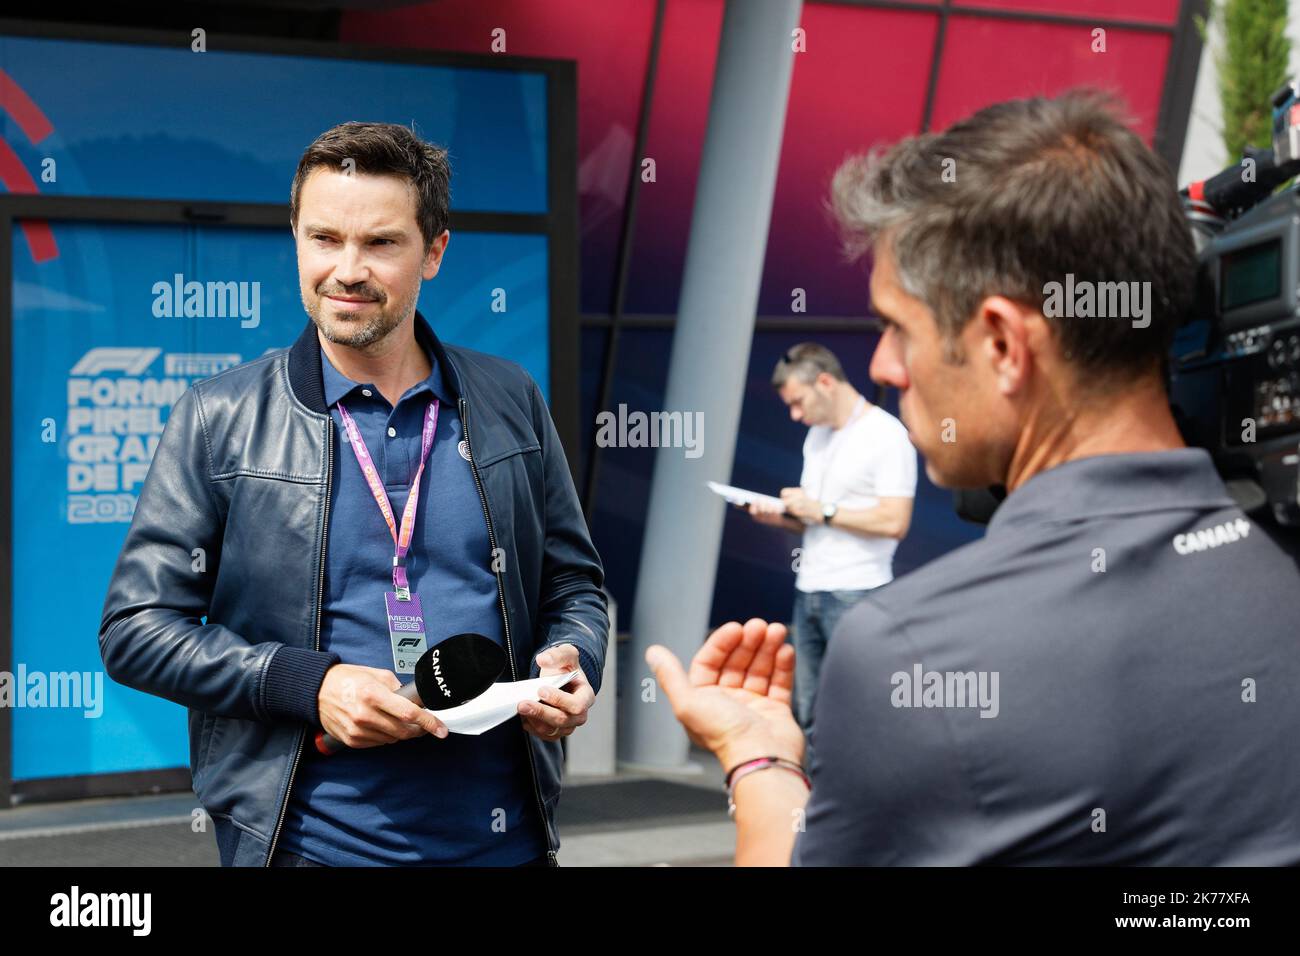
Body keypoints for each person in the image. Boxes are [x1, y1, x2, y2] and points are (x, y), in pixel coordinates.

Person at [647, 91, 1300, 865]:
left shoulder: (912, 656)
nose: (885, 366)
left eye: (897, 326)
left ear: (1001, 344)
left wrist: (761, 763)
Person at [98, 121, 608, 867]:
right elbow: (136, 628)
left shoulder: (510, 397)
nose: (346, 269)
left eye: (380, 243)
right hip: (309, 846)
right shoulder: (221, 416)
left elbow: (574, 582)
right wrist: (310, 684)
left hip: (510, 839)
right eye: (324, 238)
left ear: (435, 251)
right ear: (297, 240)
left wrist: (575, 660)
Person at [748, 342, 915, 732]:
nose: (795, 414)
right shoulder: (818, 437)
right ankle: (817, 794)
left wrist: (820, 509)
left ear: (825, 382)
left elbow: (895, 522)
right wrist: (781, 517)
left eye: (798, 402)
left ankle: (858, 793)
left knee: (859, 711)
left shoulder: (886, 435)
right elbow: (816, 520)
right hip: (810, 589)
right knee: (808, 712)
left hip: (859, 592)